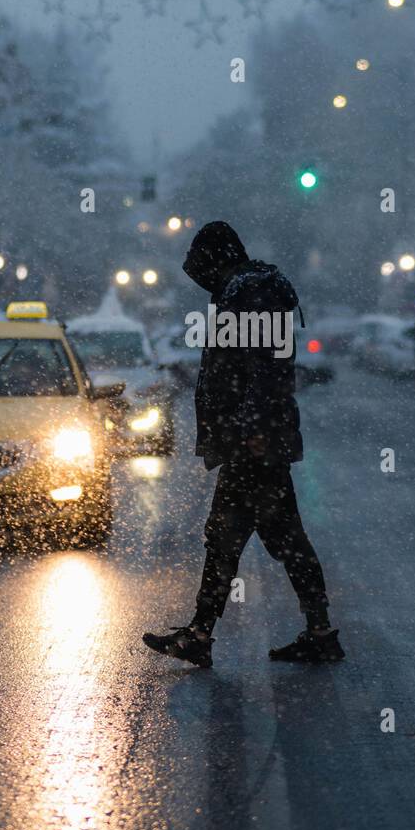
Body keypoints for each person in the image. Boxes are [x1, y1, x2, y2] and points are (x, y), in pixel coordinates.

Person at [143, 221, 343, 668]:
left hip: (253, 443)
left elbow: (266, 370)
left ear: (217, 258)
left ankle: (203, 634)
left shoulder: (250, 292)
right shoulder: (248, 288)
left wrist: (251, 429)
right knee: (268, 538)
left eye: (202, 269)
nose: (201, 280)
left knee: (234, 537)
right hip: (253, 440)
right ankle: (317, 632)